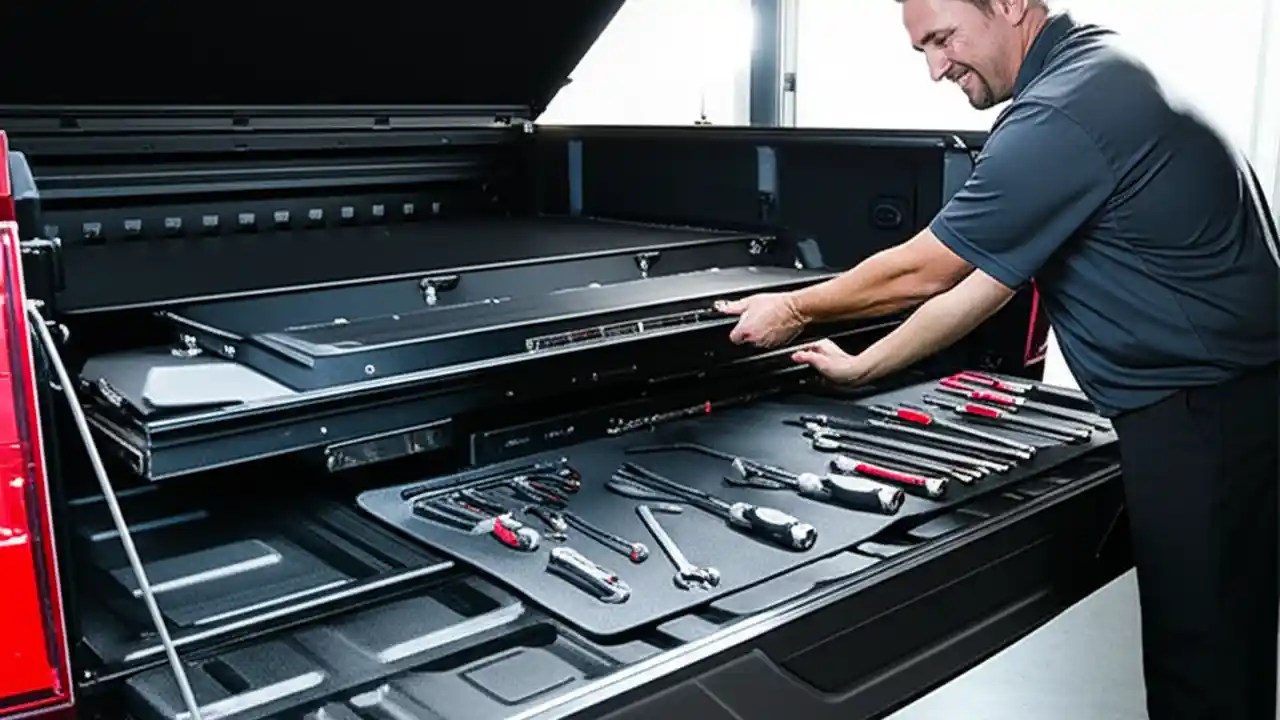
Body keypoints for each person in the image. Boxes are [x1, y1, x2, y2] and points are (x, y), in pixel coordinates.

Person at [716, 1, 1280, 718]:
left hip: (1202, 419)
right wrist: (867, 367)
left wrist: (794, 309)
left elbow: (926, 270)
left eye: (944, 39)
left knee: (1204, 677)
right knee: (1211, 655)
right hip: (1218, 407)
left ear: (1012, 6)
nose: (935, 68)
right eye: (921, 48)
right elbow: (984, 279)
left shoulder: (1067, 113)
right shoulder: (1094, 74)